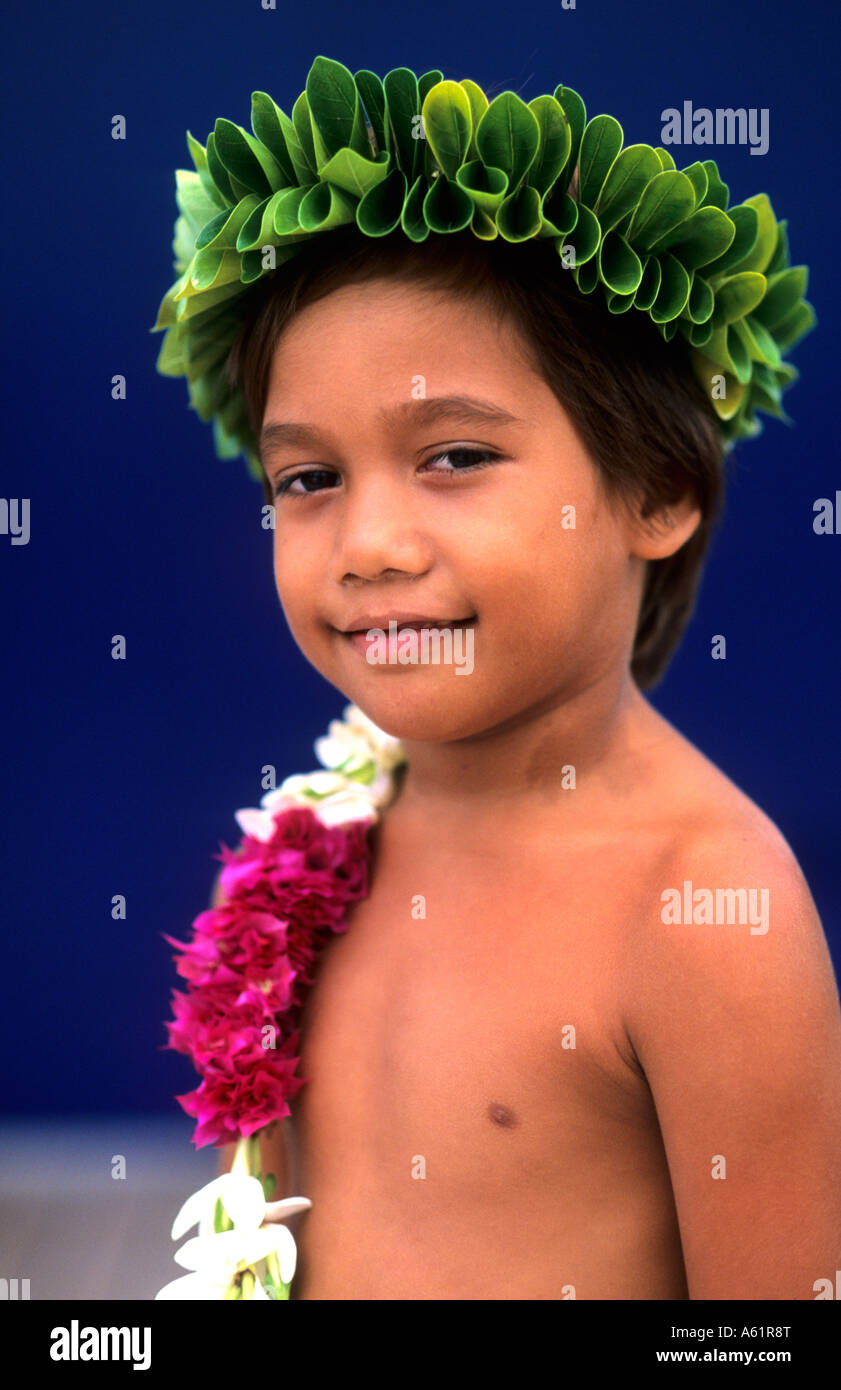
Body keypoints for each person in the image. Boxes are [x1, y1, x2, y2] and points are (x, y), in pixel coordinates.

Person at [155, 57, 839, 1299]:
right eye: (307, 480)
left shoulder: (704, 909)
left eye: (455, 454)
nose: (368, 546)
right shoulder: (313, 844)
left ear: (658, 489)